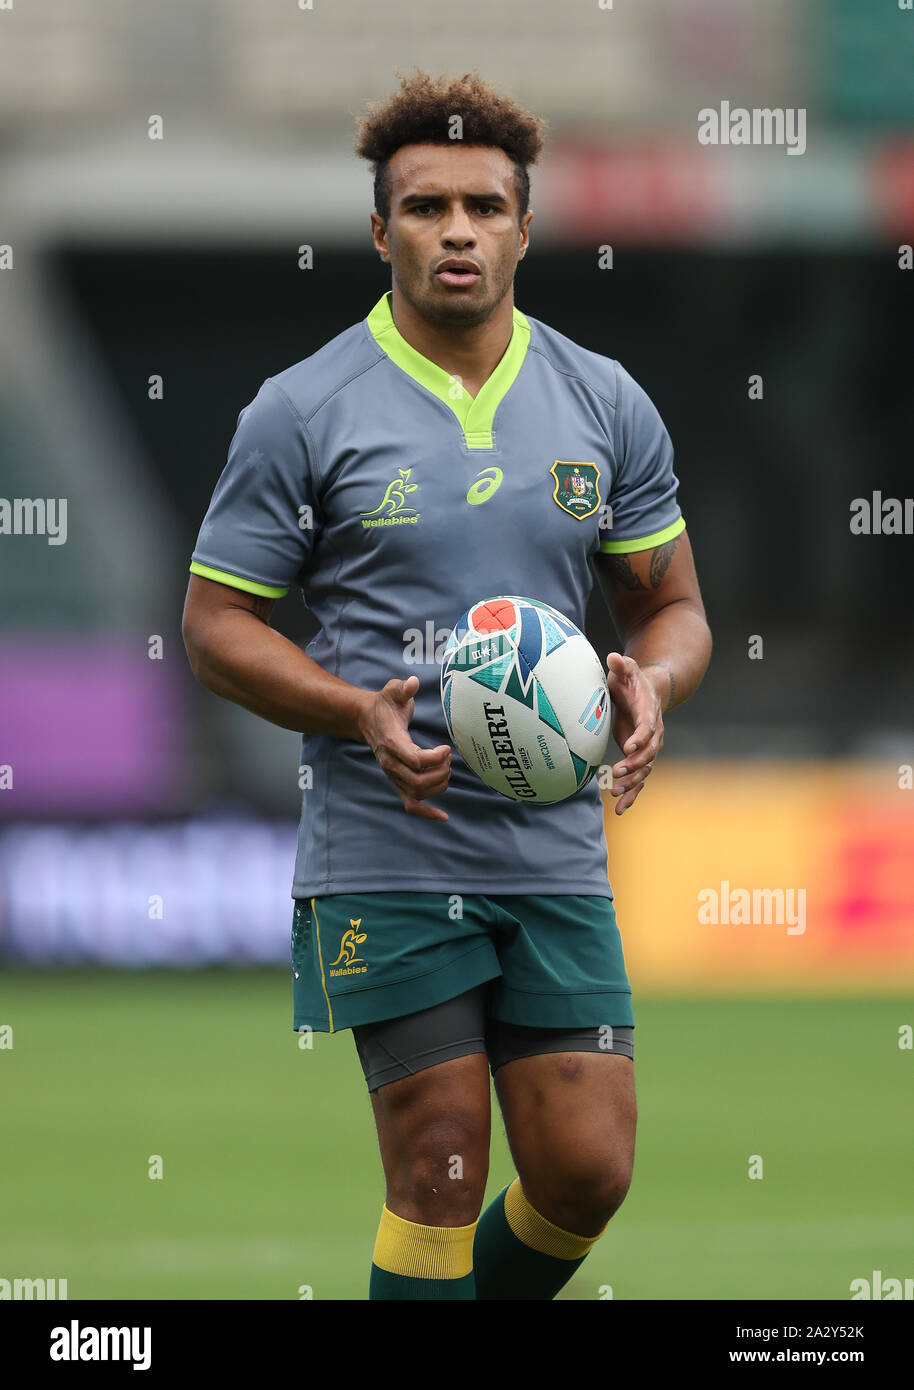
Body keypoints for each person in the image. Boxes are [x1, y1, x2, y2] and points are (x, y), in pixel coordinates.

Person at [182, 69, 712, 1300]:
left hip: (551, 844)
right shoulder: (301, 410)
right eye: (424, 208)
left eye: (482, 205)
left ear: (525, 226)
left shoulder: (601, 400)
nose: (456, 230)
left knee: (586, 1170)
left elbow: (670, 609)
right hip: (390, 838)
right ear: (380, 231)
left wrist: (656, 685)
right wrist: (352, 707)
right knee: (437, 1165)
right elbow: (214, 626)